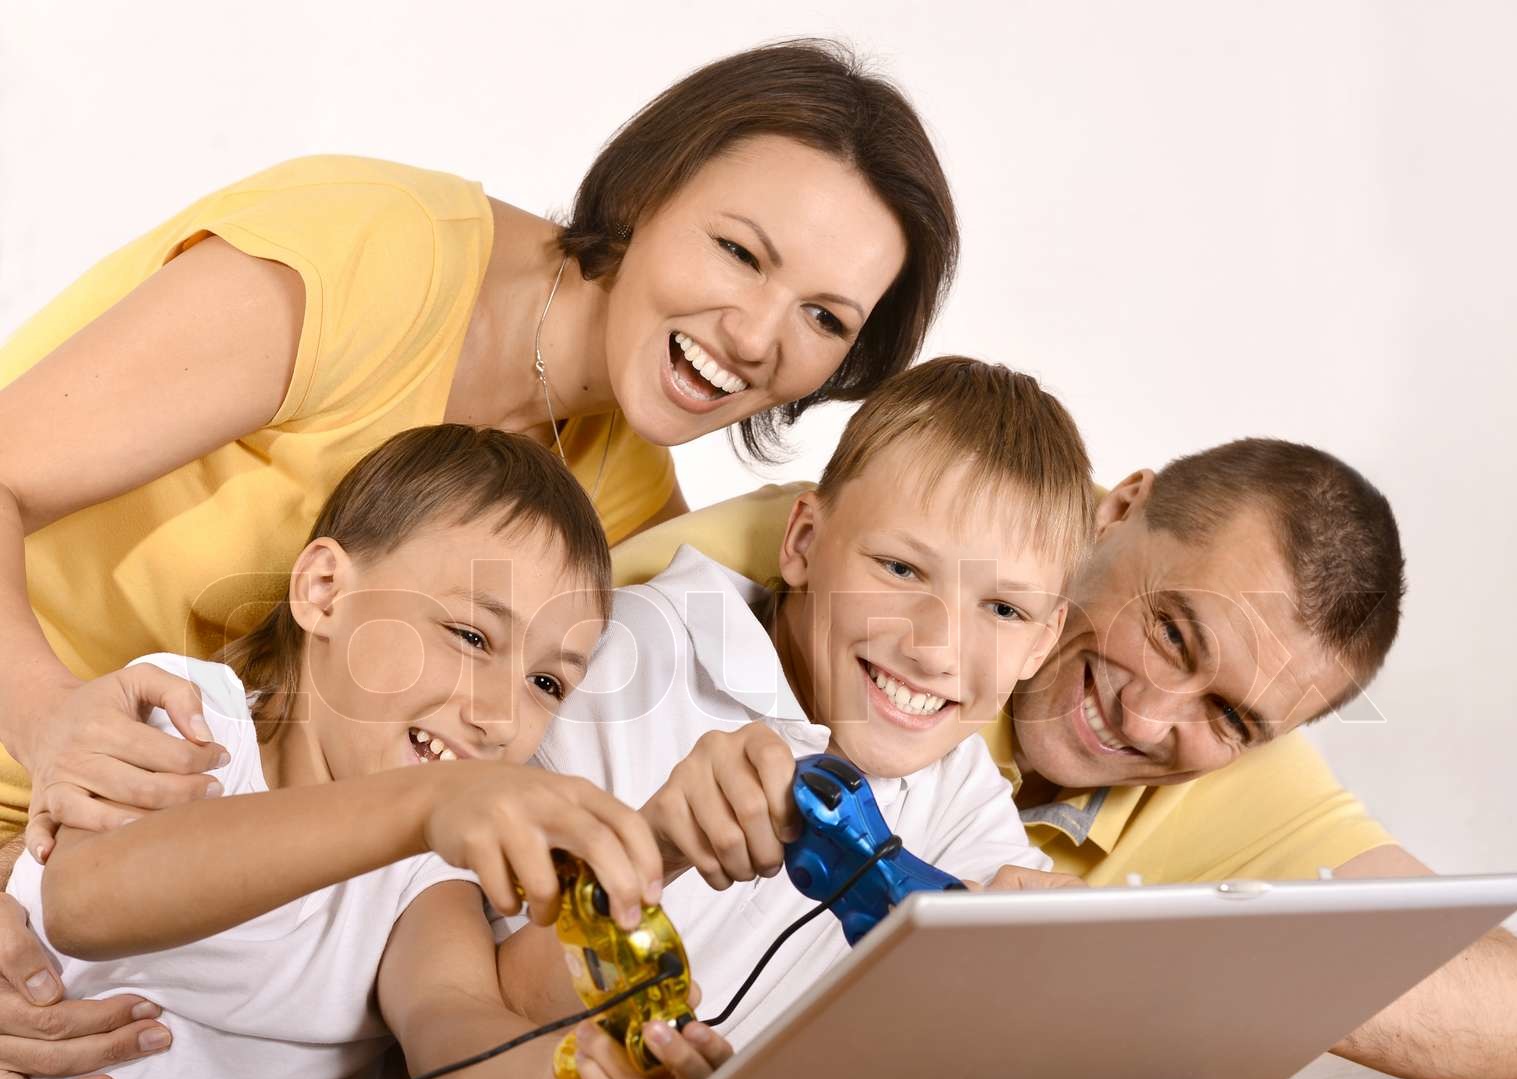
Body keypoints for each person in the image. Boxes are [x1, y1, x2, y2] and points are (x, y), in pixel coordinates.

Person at [0, 37, 959, 864]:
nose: (754, 336)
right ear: (648, 190)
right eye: (740, 253)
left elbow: (785, 615)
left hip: (115, 847)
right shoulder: (374, 259)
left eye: (825, 318)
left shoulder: (619, 487)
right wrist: (46, 724)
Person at [592, 439, 1517, 1079]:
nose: (1146, 716)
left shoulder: (1230, 760)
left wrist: (1162, 954)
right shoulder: (868, 535)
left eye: (1229, 716)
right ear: (1118, 509)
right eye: (1170, 631)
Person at [0, 425, 729, 1079]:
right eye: (471, 637)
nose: (499, 715)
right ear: (324, 592)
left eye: (545, 682)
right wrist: (424, 803)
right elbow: (86, 900)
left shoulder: (424, 871)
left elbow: (451, 1024)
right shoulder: (195, 720)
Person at [498, 357, 1097, 1051]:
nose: (936, 649)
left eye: (1004, 609)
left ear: (1041, 645)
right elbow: (476, 1014)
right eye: (901, 569)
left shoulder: (964, 794)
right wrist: (655, 849)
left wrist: (1068, 968)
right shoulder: (614, 662)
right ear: (804, 541)